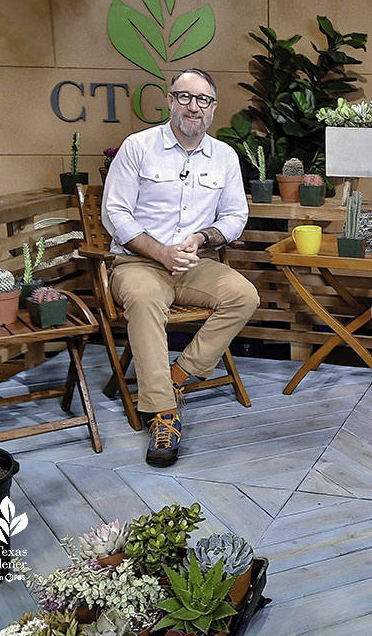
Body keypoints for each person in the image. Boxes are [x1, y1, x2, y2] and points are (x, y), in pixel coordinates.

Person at [102, 68, 259, 467]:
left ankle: (176, 377)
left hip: (192, 262)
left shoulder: (224, 156)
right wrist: (160, 252)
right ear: (170, 100)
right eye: (185, 97)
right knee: (144, 297)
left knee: (244, 295)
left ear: (213, 109)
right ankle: (163, 414)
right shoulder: (137, 147)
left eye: (203, 100)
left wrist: (202, 239)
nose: (194, 106)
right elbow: (114, 213)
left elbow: (236, 217)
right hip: (138, 262)